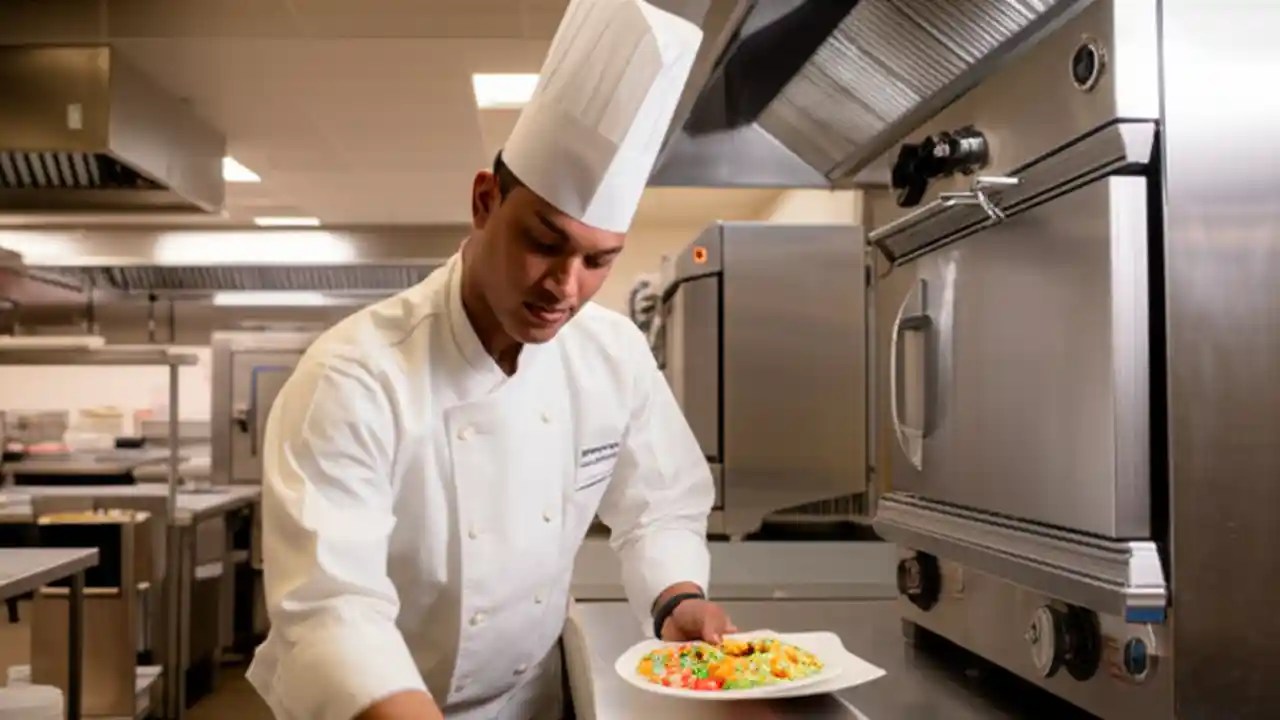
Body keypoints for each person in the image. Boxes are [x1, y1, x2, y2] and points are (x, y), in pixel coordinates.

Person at [245, 1, 736, 718]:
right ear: (484, 201)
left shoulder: (611, 353)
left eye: (599, 261)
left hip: (530, 699)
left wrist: (676, 597)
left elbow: (660, 504)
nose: (565, 288)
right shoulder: (353, 376)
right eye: (544, 242)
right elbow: (329, 610)